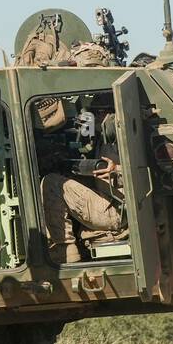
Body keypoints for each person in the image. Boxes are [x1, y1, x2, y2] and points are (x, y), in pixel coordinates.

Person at [41, 113, 124, 264]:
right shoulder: (108, 137)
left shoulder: (122, 134)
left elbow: (142, 170)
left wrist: (116, 170)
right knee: (66, 178)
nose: (94, 118)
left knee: (51, 184)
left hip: (116, 210)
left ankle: (64, 250)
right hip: (111, 201)